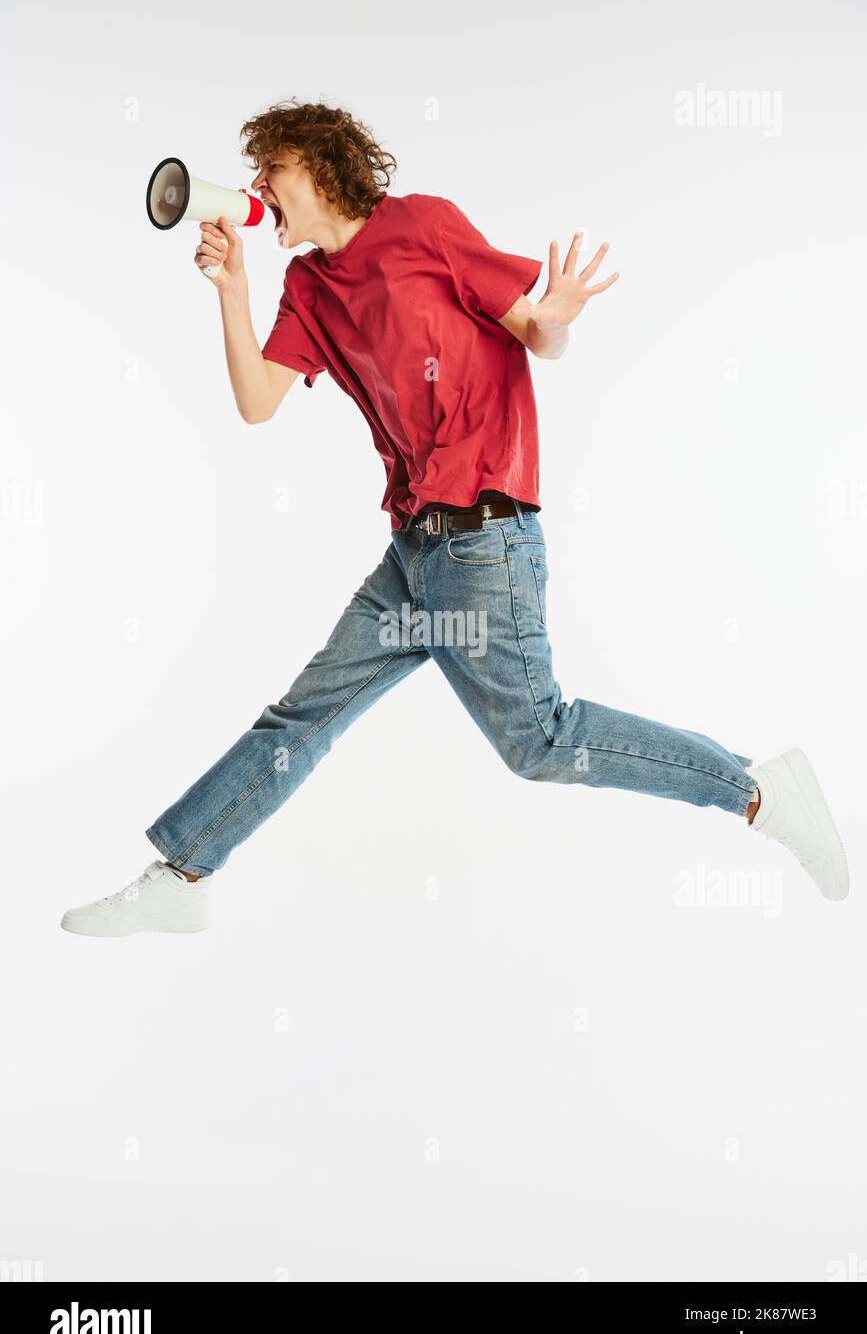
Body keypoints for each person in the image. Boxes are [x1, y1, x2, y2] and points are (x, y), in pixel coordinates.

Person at [61, 100, 848, 936]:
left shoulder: (421, 227)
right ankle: (184, 873)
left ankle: (758, 790)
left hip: (482, 542)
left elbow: (533, 333)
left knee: (540, 740)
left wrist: (553, 321)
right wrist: (232, 288)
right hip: (413, 553)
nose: (257, 189)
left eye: (272, 170)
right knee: (301, 718)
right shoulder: (306, 284)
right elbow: (258, 402)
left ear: (322, 169)